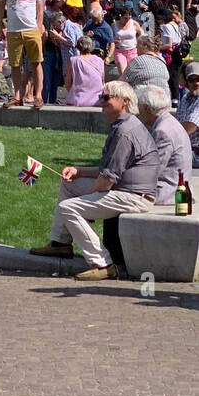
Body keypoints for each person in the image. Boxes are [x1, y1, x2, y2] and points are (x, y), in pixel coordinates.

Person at [30, 80, 160, 281]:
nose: (102, 101)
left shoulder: (126, 131)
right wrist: (79, 171)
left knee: (69, 208)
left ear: (124, 102)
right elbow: (107, 169)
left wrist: (87, 202)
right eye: (101, 96)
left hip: (135, 197)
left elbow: (107, 179)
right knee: (69, 183)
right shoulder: (123, 125)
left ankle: (103, 263)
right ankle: (60, 244)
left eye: (107, 97)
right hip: (124, 190)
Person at [2, 0, 45, 109]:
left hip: (31, 30)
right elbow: (1, 6)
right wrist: (0, 25)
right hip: (13, 31)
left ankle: (37, 95)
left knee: (36, 63)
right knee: (15, 65)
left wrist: (39, 28)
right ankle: (17, 96)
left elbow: (40, 10)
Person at [137, 84, 191, 207]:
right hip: (174, 188)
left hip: (168, 194)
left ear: (146, 108)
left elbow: (152, 170)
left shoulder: (162, 131)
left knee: (115, 193)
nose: (138, 112)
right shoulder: (170, 122)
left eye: (139, 107)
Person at [63, 37, 105, 107]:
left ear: (78, 46)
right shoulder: (99, 60)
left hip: (78, 100)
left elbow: (67, 84)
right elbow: (102, 81)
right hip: (97, 101)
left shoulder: (73, 60)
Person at [111, 7, 144, 74]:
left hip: (132, 50)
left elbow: (141, 33)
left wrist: (139, 42)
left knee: (133, 72)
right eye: (125, 18)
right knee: (123, 73)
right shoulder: (114, 25)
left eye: (129, 17)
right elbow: (111, 38)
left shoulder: (134, 23)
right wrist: (114, 40)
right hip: (119, 51)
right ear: (120, 16)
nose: (127, 20)